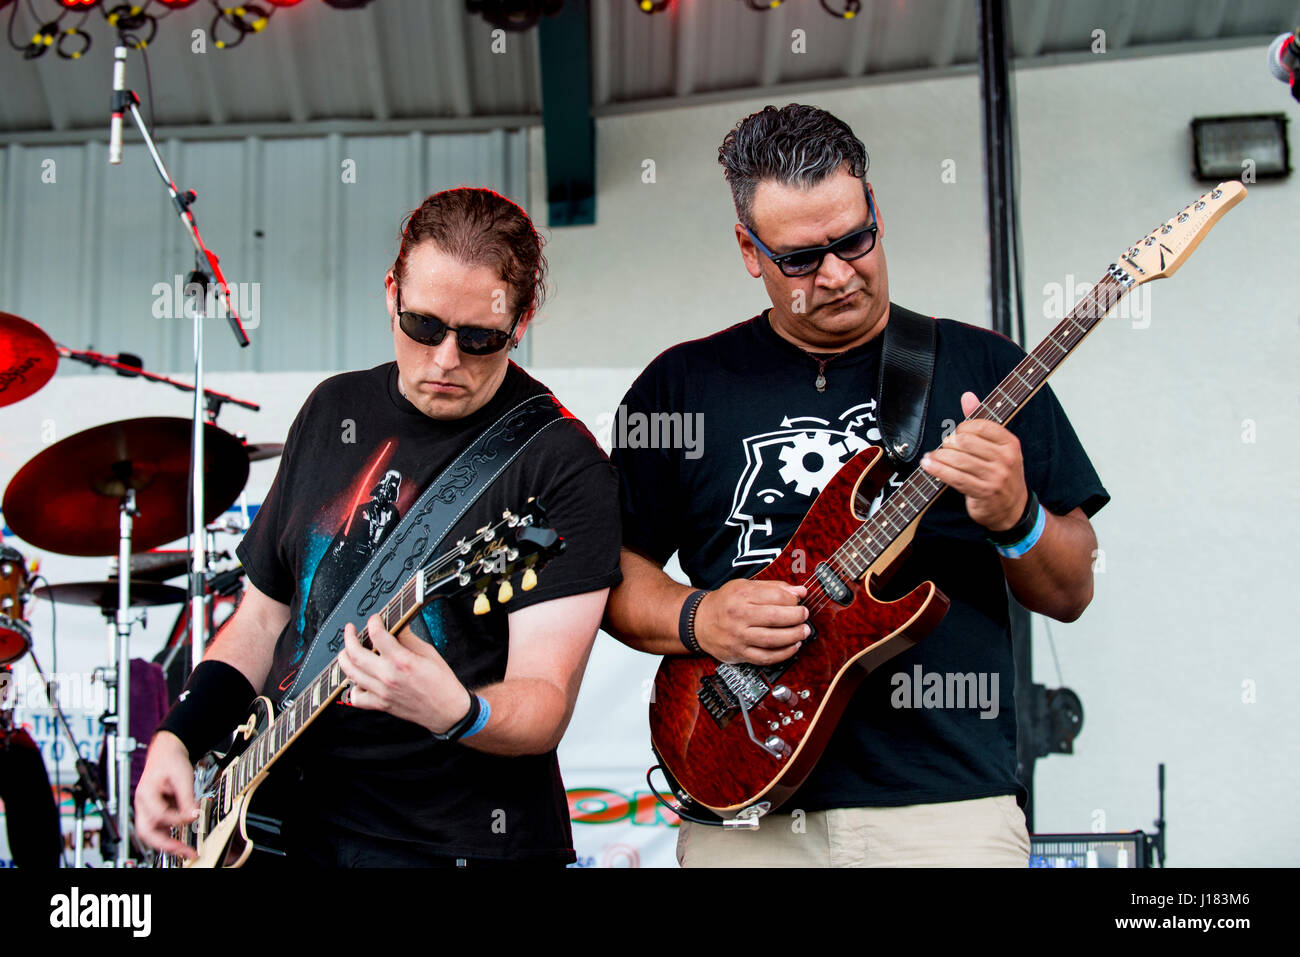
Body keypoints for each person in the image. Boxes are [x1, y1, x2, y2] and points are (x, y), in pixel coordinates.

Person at [604, 104, 1109, 867]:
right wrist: (698, 615)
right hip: (745, 816)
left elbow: (1072, 589)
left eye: (854, 240)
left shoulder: (984, 369)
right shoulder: (681, 387)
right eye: (802, 258)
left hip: (946, 815)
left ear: (875, 208)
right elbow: (609, 576)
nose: (838, 275)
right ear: (749, 250)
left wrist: (1017, 516)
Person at [135, 187, 622, 867]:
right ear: (390, 293)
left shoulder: (560, 463)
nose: (446, 360)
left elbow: (544, 703)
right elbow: (263, 618)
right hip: (284, 821)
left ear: (522, 319)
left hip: (450, 844)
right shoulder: (333, 407)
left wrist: (460, 711)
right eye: (423, 326)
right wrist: (178, 737)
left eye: (479, 338)